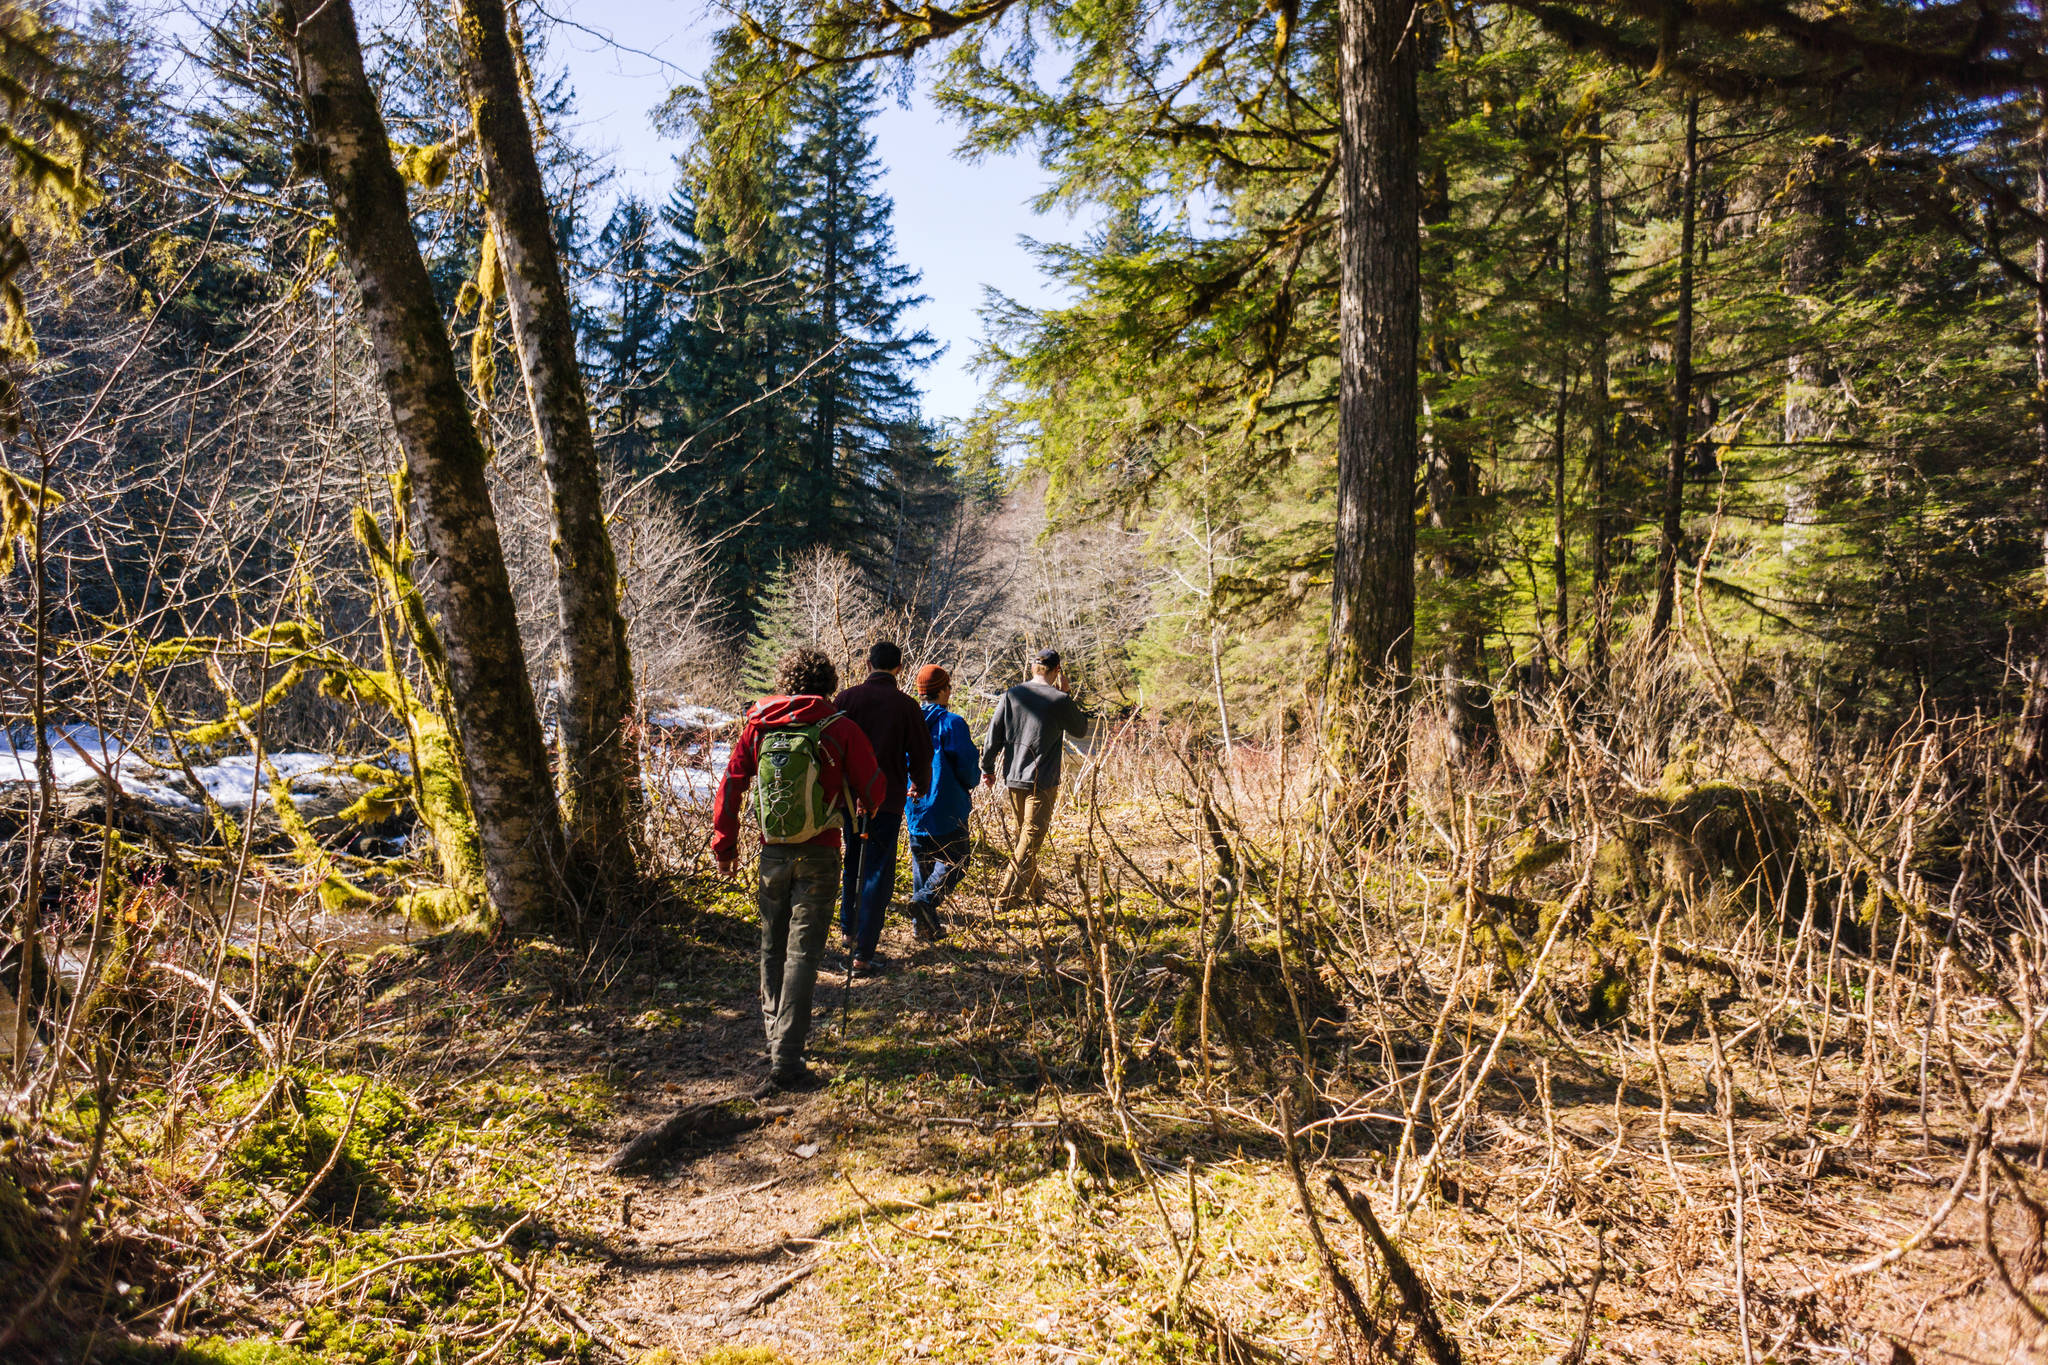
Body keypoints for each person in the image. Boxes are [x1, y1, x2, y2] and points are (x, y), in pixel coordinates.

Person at [712, 646, 883, 1097]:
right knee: (803, 953)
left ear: (786, 681)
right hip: (821, 853)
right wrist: (857, 795)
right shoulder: (839, 727)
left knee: (772, 946)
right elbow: (875, 789)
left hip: (772, 854)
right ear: (829, 684)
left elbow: (731, 784)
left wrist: (724, 846)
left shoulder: (759, 724)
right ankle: (787, 1056)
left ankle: (776, 1041)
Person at [832, 641, 931, 974]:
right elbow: (921, 752)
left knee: (853, 859)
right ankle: (863, 951)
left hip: (848, 797)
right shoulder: (906, 706)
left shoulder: (846, 699)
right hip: (886, 800)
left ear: (866, 662)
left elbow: (830, 745)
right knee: (877, 870)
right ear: (899, 668)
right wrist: (920, 783)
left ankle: (848, 931)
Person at [981, 648, 1091, 911]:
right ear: (1056, 671)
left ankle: (1035, 892)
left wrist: (987, 767)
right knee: (1030, 838)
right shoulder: (1058, 699)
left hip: (1014, 777)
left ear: (1032, 668)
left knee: (1026, 837)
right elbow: (1080, 729)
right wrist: (1066, 695)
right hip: (1042, 781)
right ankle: (1005, 898)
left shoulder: (1011, 695)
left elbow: (993, 734)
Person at [906, 664, 980, 942]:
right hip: (947, 804)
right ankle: (925, 901)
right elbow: (968, 765)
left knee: (922, 864)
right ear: (944, 690)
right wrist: (970, 783)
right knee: (958, 860)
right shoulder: (952, 723)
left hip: (915, 804)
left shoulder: (909, 722)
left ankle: (922, 927)